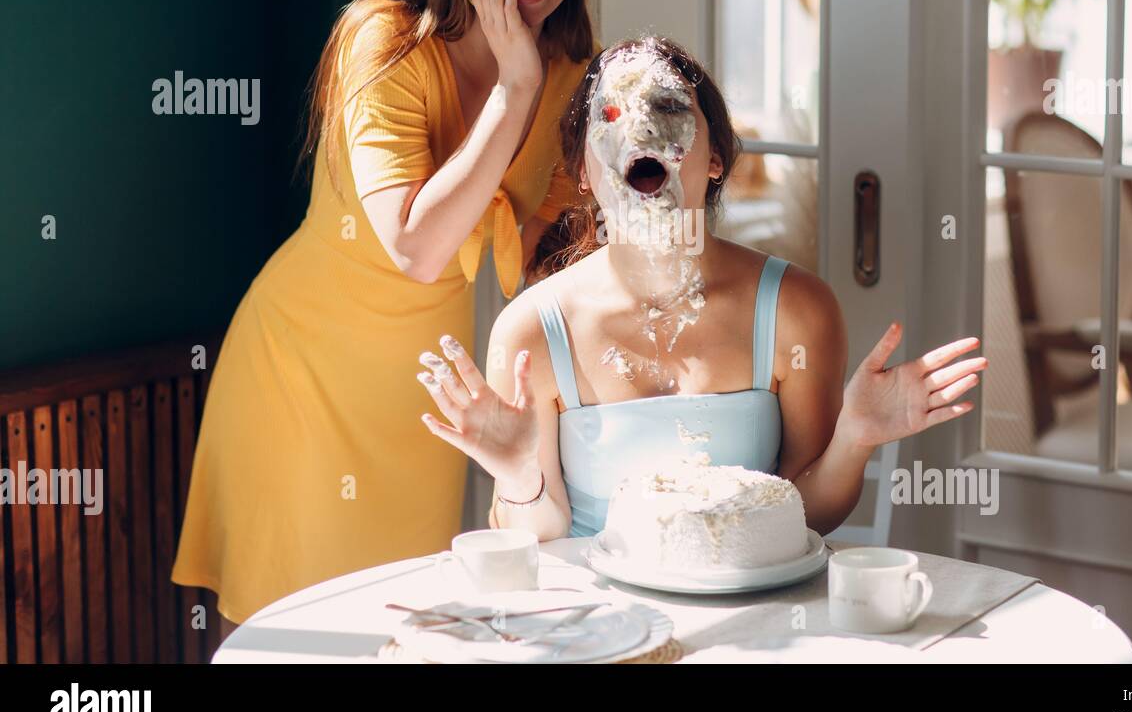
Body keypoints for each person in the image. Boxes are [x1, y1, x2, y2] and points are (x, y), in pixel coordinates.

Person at [172, 0, 600, 636]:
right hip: (302, 372)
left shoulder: (576, 77)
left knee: (401, 632)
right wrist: (515, 85)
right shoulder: (385, 41)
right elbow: (416, 247)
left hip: (421, 399)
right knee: (286, 632)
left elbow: (538, 277)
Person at [416, 36, 988, 540]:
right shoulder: (531, 333)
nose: (638, 129)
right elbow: (541, 538)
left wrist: (854, 439)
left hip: (753, 616)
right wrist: (519, 477)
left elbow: (808, 517)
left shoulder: (797, 311)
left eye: (667, 107)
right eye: (610, 114)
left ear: (714, 158)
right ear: (585, 174)